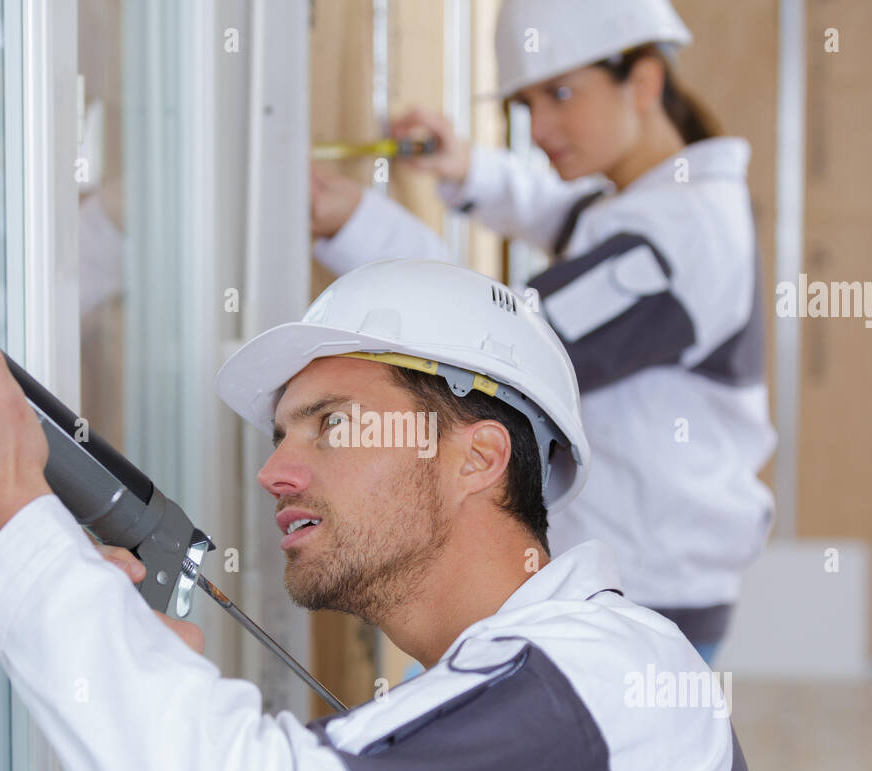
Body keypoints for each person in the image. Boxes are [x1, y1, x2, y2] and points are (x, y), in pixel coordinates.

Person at [0, 257, 763, 771]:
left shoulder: (600, 679)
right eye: (282, 432)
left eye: (331, 424)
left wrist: (17, 522)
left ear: (477, 459)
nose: (273, 471)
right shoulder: (494, 697)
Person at [310, 0, 777, 665]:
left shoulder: (682, 235)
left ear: (643, 82)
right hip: (647, 575)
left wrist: (356, 223)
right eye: (527, 105)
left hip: (644, 597)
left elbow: (513, 340)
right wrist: (467, 169)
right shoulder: (649, 197)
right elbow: (564, 213)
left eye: (562, 94)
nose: (543, 125)